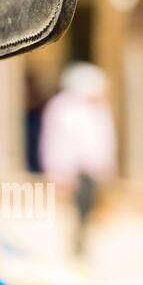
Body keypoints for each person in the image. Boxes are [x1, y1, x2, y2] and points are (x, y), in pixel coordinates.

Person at [38, 62, 117, 255]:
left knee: (89, 211)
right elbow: (55, 141)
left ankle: (83, 244)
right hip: (70, 170)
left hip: (93, 169)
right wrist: (58, 170)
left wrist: (107, 167)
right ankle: (70, 248)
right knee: (71, 212)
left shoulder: (100, 109)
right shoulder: (62, 107)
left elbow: (106, 139)